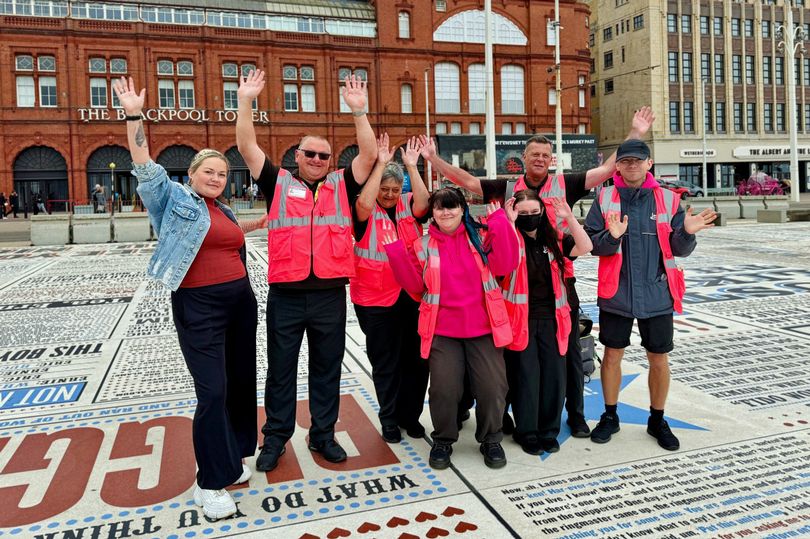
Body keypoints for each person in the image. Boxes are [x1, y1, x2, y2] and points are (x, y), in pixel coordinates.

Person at [418, 108, 655, 438]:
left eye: (545, 155)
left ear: (551, 159)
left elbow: (605, 170)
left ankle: (575, 415)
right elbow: (468, 182)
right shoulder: (506, 187)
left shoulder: (564, 184)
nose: (540, 159)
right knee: (515, 358)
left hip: (559, 282)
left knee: (569, 353)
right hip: (515, 284)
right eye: (534, 154)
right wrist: (433, 159)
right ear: (524, 158)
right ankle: (510, 415)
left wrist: (635, 132)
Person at [113, 76, 265, 520]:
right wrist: (133, 114)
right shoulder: (172, 198)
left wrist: (263, 224)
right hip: (199, 305)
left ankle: (233, 457)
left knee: (239, 381)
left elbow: (227, 239)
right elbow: (143, 161)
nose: (216, 178)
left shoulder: (226, 209)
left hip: (240, 301)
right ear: (192, 174)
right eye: (208, 172)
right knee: (212, 390)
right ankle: (210, 482)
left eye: (222, 173)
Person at [235, 69, 377, 471]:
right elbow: (246, 146)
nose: (316, 160)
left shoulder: (341, 185)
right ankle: (275, 438)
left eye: (323, 155)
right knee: (281, 370)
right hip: (287, 296)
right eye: (309, 154)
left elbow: (368, 155)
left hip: (329, 295)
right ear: (296, 156)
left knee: (326, 368)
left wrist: (359, 112)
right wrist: (245, 100)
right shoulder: (276, 182)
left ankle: (322, 435)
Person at [584, 139, 716, 451]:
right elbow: (592, 244)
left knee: (658, 357)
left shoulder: (669, 200)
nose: (631, 165)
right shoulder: (604, 197)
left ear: (649, 163)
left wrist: (688, 232)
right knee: (613, 354)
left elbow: (679, 251)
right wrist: (611, 236)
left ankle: (657, 419)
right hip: (616, 292)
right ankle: (610, 415)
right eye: (626, 161)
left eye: (637, 160)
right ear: (617, 165)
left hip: (657, 293)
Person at [383, 188, 519, 470]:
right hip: (444, 330)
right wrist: (396, 253)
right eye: (440, 208)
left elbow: (506, 264)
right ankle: (444, 439)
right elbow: (415, 287)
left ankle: (491, 438)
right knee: (444, 390)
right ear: (432, 212)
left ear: (462, 209)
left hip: (484, 328)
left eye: (452, 206)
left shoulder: (480, 236)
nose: (446, 212)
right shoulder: (422, 245)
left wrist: (501, 223)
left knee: (493, 388)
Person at [350, 133, 430, 443]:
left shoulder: (409, 204)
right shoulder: (366, 212)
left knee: (417, 360)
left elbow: (424, 203)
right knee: (386, 363)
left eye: (395, 190)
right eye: (385, 189)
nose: (390, 194)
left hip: (411, 296)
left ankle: (410, 416)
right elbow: (364, 204)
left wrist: (412, 167)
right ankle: (389, 418)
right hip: (374, 299)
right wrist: (381, 164)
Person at [503, 190, 592, 455]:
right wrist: (509, 222)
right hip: (521, 320)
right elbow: (499, 258)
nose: (530, 218)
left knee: (554, 376)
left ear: (542, 213)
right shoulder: (512, 238)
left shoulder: (553, 240)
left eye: (534, 212)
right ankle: (527, 432)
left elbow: (585, 247)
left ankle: (548, 431)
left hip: (555, 320)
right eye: (523, 213)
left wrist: (569, 218)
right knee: (527, 377)